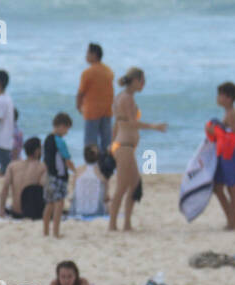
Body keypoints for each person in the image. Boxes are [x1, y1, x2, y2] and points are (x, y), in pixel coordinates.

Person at [109, 67, 166, 232]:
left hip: (124, 145)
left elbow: (117, 123)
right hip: (124, 146)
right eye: (142, 81)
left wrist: (111, 144)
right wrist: (153, 126)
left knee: (133, 184)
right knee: (122, 186)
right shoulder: (126, 98)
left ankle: (126, 223)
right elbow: (131, 122)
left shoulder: (122, 96)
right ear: (135, 80)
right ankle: (113, 224)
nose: (143, 84)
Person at [210, 82, 235, 230]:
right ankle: (230, 218)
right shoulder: (227, 113)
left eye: (220, 95)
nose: (217, 98)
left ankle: (233, 222)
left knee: (232, 189)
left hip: (230, 154)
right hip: (223, 154)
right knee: (217, 188)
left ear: (228, 98)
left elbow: (233, 135)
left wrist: (217, 131)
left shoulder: (233, 115)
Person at [77, 44, 114, 159]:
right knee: (106, 142)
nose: (86, 56)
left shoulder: (88, 73)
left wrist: (78, 106)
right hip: (107, 111)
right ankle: (106, 166)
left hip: (92, 112)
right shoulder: (108, 71)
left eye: (87, 53)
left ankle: (92, 166)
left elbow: (81, 92)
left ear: (94, 55)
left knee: (90, 143)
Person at [42, 113, 77, 237]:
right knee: (59, 204)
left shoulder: (47, 139)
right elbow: (67, 160)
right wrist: (76, 172)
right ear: (62, 126)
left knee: (49, 204)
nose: (67, 132)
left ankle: (45, 231)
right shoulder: (59, 141)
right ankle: (56, 232)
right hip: (59, 176)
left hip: (50, 176)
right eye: (67, 129)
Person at [0, 137, 46, 219]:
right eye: (41, 149)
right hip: (32, 212)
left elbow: (5, 189)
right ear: (37, 151)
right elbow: (44, 188)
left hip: (15, 212)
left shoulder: (12, 165)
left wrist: (1, 210)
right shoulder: (42, 167)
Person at [70, 145, 107, 217]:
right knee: (103, 185)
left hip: (78, 209)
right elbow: (105, 185)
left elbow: (73, 188)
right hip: (96, 211)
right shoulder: (99, 171)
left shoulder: (78, 170)